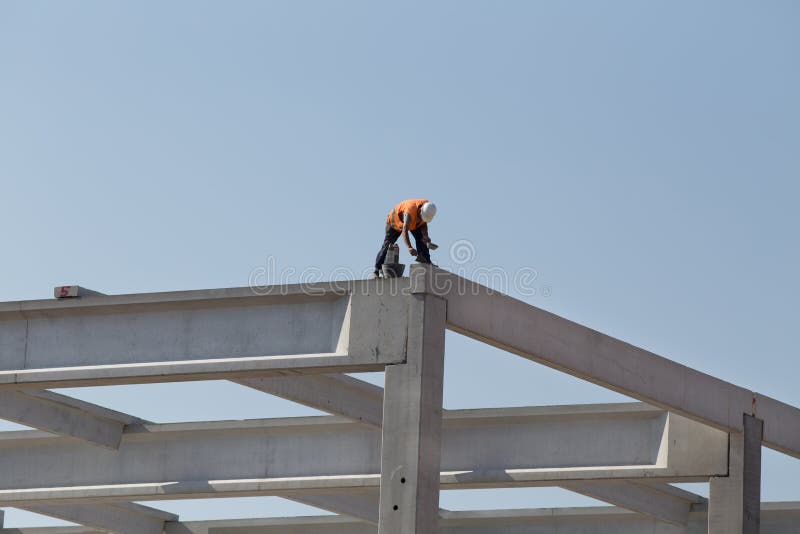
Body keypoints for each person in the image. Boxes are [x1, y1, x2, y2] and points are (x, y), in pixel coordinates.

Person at [374, 199, 437, 277]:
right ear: (420, 211)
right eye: (421, 217)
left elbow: (423, 224)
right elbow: (405, 230)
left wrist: (425, 236)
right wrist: (409, 247)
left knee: (421, 240)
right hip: (395, 222)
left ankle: (426, 261)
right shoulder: (409, 212)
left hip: (413, 223)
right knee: (387, 245)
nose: (421, 219)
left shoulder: (427, 207)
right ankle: (376, 271)